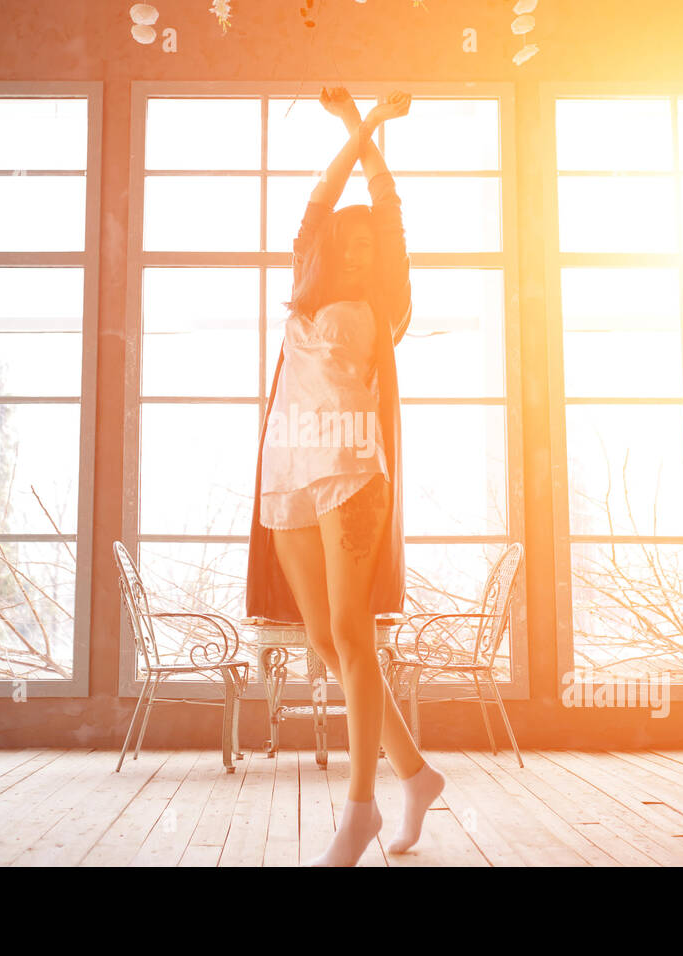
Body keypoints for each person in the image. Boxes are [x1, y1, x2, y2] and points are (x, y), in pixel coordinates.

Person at [245, 86, 446, 866]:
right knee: (324, 639)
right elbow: (318, 203)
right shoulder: (304, 279)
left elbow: (383, 209)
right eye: (349, 242)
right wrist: (348, 124)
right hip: (288, 467)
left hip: (351, 470)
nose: (360, 249)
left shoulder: (382, 304)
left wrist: (372, 129)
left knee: (353, 636)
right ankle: (417, 774)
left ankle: (360, 808)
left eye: (371, 244)